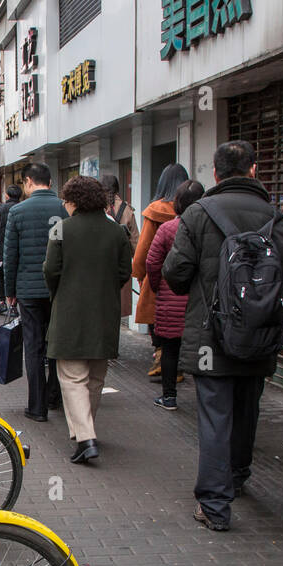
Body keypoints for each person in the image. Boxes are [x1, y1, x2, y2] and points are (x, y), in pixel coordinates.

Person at [162, 140, 283, 532]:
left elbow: (174, 273)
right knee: (248, 407)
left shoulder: (198, 214)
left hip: (210, 335)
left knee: (215, 415)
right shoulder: (279, 219)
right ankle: (238, 476)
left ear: (216, 173)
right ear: (253, 170)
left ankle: (215, 504)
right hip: (259, 333)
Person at [44, 176, 131, 464]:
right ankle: (86, 431)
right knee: (95, 378)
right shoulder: (116, 231)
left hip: (69, 312)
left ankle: (85, 438)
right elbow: (123, 271)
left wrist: (62, 292)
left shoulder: (61, 230)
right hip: (105, 313)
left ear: (74, 202)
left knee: (72, 377)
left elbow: (51, 270)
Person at [4, 163, 69, 421]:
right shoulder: (65, 208)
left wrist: (9, 290)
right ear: (50, 183)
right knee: (56, 344)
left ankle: (37, 407)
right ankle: (55, 397)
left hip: (28, 289)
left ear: (28, 182)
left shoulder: (18, 212)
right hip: (59, 289)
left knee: (33, 347)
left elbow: (11, 256)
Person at [146, 179, 204, 410]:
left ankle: (169, 396)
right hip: (200, 301)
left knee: (169, 350)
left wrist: (159, 286)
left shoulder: (168, 229)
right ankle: (205, 399)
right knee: (202, 350)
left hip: (170, 300)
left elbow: (152, 262)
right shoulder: (208, 229)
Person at [135, 164, 190, 379]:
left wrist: (142, 277)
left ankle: (163, 360)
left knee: (160, 322)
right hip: (188, 277)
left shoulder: (155, 211)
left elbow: (143, 251)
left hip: (160, 276)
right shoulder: (195, 211)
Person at [0, 184, 23, 315]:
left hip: (2, 249)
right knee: (16, 276)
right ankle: (14, 305)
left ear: (6, 195)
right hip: (19, 249)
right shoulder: (22, 208)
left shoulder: (0, 210)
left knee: (0, 276)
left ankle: (2, 303)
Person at [101, 173, 141, 247]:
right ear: (117, 190)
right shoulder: (127, 209)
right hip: (122, 254)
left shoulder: (96, 207)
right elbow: (135, 241)